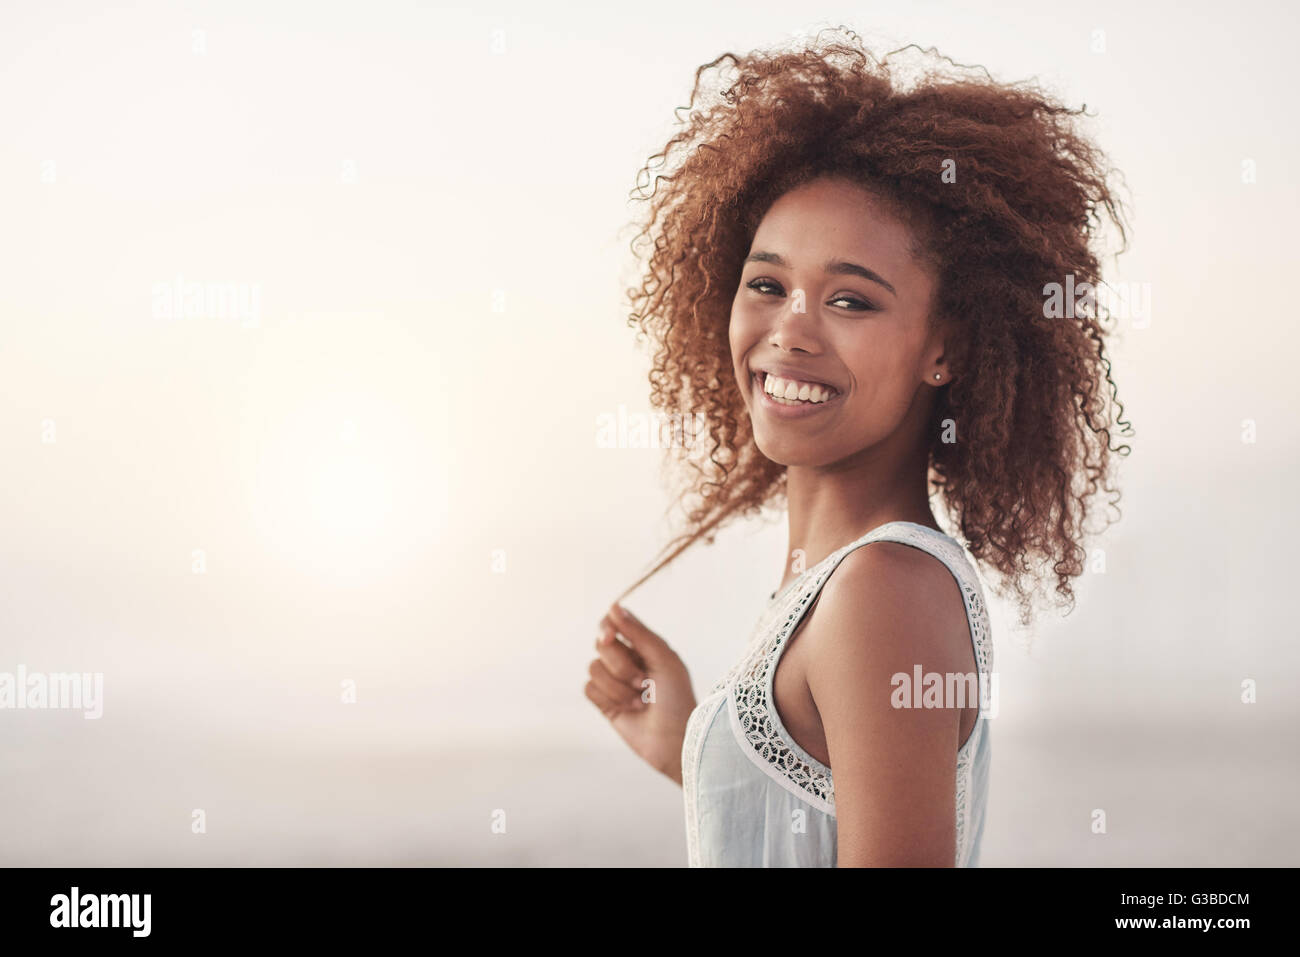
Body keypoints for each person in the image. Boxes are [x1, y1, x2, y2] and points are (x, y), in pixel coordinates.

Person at [584, 26, 1132, 867]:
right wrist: (699, 746)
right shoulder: (848, 580)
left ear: (943, 348)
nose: (790, 330)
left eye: (851, 300)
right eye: (767, 284)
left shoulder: (884, 592)